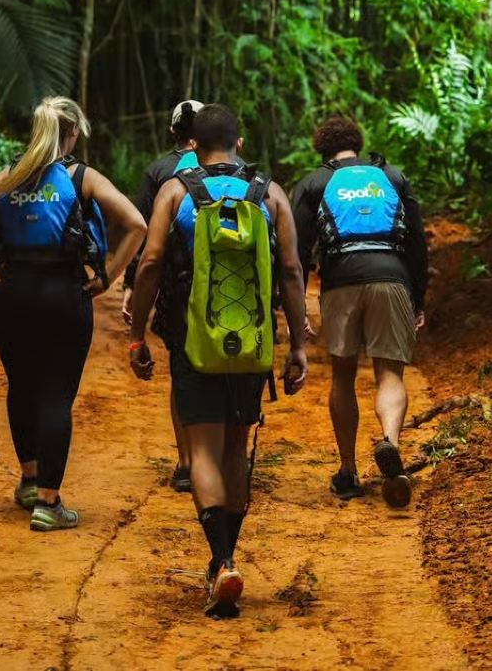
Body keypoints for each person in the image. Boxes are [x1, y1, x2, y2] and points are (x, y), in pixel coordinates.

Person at [127, 103, 308, 619]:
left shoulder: (175, 191)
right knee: (235, 448)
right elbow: (292, 271)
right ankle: (225, 558)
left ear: (192, 144)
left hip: (193, 340)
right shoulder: (269, 193)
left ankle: (222, 559)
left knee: (201, 449)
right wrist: (296, 344)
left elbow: (153, 263)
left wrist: (138, 333)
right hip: (251, 342)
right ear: (239, 141)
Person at [0, 96, 145, 532]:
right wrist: (108, 276)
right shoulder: (80, 176)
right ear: (70, 134)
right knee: (56, 394)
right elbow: (137, 224)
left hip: (13, 295)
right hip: (63, 295)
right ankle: (49, 504)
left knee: (23, 386)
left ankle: (31, 481)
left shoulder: (9, 178)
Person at [292, 114, 427, 507]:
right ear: (358, 143)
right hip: (392, 277)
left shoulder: (314, 182)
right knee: (389, 371)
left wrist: (297, 304)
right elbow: (417, 241)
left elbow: (296, 253)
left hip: (340, 282)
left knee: (343, 373)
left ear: (322, 149)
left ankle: (348, 471)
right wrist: (418, 297)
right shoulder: (393, 177)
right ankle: (390, 442)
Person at [121, 98, 204, 492]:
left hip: (175, 285)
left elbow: (142, 234)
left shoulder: (159, 171)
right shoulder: (230, 169)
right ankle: (221, 458)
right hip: (227, 287)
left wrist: (131, 285)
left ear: (173, 132)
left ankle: (187, 461)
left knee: (181, 371)